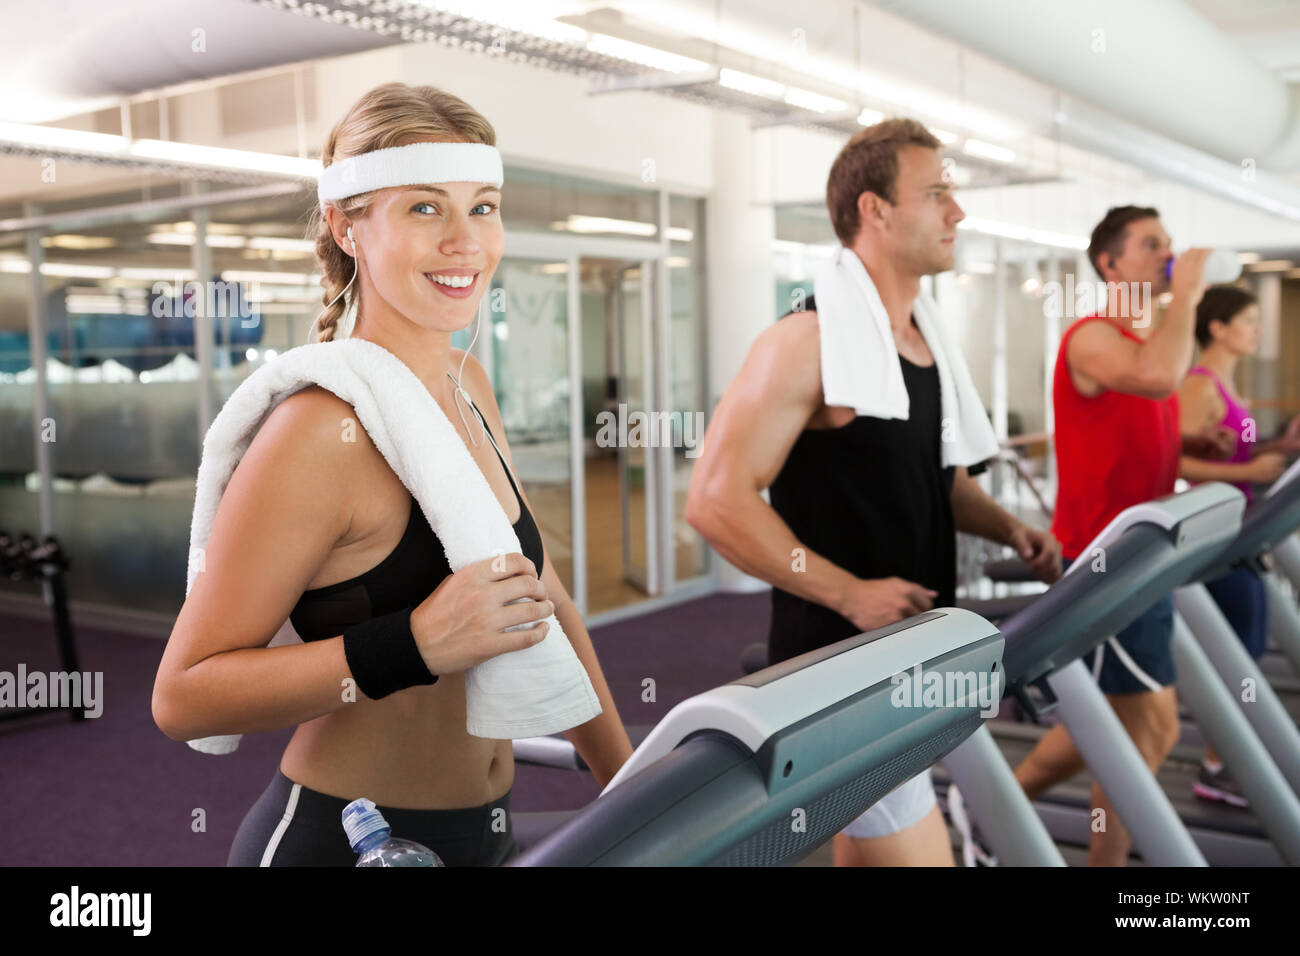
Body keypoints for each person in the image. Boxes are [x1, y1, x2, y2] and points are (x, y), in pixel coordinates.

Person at [152, 82, 633, 866]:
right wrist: (412, 643)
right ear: (346, 227)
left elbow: (543, 599)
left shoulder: (467, 384)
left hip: (488, 824)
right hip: (347, 840)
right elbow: (183, 696)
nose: (465, 241)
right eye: (423, 208)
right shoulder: (317, 432)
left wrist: (630, 793)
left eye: (482, 207)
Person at [685, 118, 1062, 867]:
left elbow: (933, 476)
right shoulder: (807, 343)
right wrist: (850, 593)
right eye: (937, 193)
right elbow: (716, 500)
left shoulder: (921, 345)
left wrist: (1008, 528)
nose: (958, 212)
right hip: (840, 666)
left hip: (912, 653)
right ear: (874, 210)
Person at [1012, 205, 1225, 865]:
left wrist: (1190, 439)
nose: (1169, 255)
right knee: (1148, 730)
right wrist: (1186, 293)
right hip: (1105, 558)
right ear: (1109, 264)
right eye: (1152, 245)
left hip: (1142, 552)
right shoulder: (1092, 336)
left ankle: (996, 805)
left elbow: (1141, 410)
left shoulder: (1141, 342)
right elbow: (1158, 376)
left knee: (1108, 730)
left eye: (1169, 244)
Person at [1178, 285, 1297, 807]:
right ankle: (1214, 765)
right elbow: (1176, 463)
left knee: (1246, 651)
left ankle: (1222, 758)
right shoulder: (1199, 386)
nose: (1258, 329)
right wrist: (1249, 468)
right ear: (1218, 328)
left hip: (1241, 531)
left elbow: (1236, 450)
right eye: (1248, 321)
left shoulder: (1230, 384)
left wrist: (1280, 448)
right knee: (1237, 657)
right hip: (1217, 540)